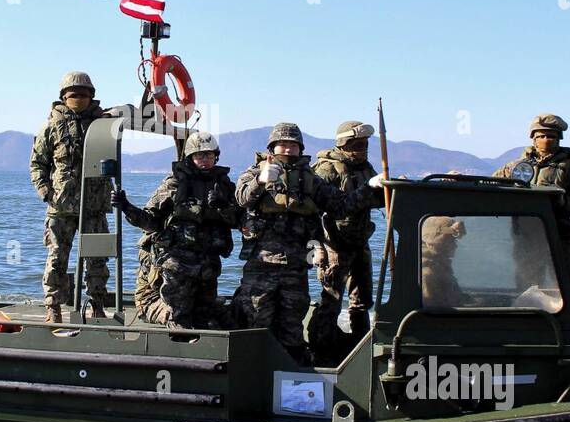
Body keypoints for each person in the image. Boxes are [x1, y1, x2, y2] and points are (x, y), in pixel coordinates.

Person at [234, 123, 382, 366]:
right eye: (283, 144)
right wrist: (259, 182)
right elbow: (240, 200)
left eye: (293, 145)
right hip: (262, 266)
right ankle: (253, 372)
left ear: (300, 148)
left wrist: (369, 188)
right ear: (272, 147)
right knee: (256, 321)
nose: (288, 149)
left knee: (292, 327)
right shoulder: (255, 171)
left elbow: (340, 206)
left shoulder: (311, 180)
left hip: (296, 266)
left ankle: (290, 375)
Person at [113, 131, 240, 329]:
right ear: (190, 158)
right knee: (178, 316)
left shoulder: (224, 186)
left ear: (216, 156)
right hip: (177, 263)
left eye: (209, 155)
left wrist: (224, 206)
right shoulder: (175, 183)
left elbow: (239, 221)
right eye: (199, 156)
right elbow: (151, 221)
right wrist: (127, 207)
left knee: (208, 317)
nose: (205, 160)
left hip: (208, 264)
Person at [29, 71, 112, 323]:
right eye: (73, 94)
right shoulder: (51, 126)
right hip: (61, 206)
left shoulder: (103, 125)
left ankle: (97, 305)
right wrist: (45, 192)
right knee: (57, 259)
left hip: (94, 206)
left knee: (97, 259)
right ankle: (53, 307)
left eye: (84, 95)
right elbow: (37, 164)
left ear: (92, 97)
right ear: (63, 97)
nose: (78, 98)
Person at [492, 113, 570, 294]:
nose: (545, 140)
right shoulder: (515, 167)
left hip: (558, 235)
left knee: (567, 281)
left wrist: (563, 202)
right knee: (527, 284)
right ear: (533, 139)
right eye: (541, 136)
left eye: (551, 136)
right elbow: (490, 185)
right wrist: (456, 179)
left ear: (558, 139)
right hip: (526, 236)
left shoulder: (569, 168)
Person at [306, 120, 379, 362]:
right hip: (334, 245)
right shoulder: (328, 170)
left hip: (360, 242)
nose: (363, 148)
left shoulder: (365, 168)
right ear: (345, 144)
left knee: (362, 300)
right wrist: (316, 248)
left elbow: (378, 197)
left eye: (366, 144)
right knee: (332, 299)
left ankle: (360, 349)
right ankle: (322, 350)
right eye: (358, 144)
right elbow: (315, 211)